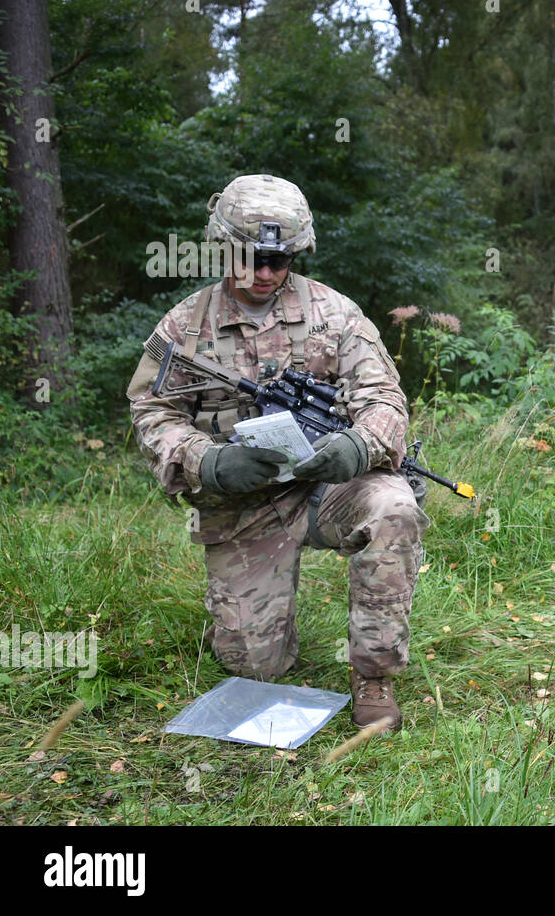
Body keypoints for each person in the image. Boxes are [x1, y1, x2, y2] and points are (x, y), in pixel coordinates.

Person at [126, 173, 429, 733]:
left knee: (394, 506)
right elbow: (152, 412)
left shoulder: (334, 314)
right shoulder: (183, 328)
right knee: (251, 669)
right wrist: (207, 461)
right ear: (224, 247)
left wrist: (358, 445)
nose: (265, 273)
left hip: (329, 489)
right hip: (242, 504)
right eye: (253, 258)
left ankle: (374, 675)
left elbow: (384, 397)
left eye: (280, 260)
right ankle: (245, 623)